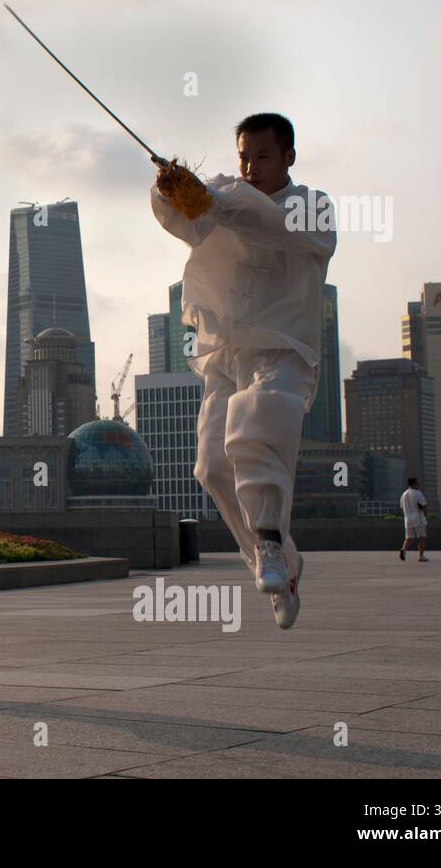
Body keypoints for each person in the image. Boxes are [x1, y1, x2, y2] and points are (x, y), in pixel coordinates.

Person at [152, 112, 336, 630]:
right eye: (243, 157)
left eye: (262, 156)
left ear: (288, 157)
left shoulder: (312, 208)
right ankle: (276, 563)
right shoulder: (226, 194)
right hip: (227, 354)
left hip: (282, 351)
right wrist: (168, 188)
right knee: (211, 465)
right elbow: (184, 220)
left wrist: (216, 200)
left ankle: (272, 542)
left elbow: (265, 222)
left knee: (254, 428)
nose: (250, 167)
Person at [399, 477, 428, 562]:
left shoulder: (404, 494)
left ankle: (403, 549)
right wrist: (425, 514)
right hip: (418, 519)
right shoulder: (418, 493)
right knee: (421, 537)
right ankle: (421, 556)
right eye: (417, 483)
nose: (418, 485)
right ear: (413, 484)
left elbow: (402, 507)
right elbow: (423, 505)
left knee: (409, 538)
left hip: (407, 519)